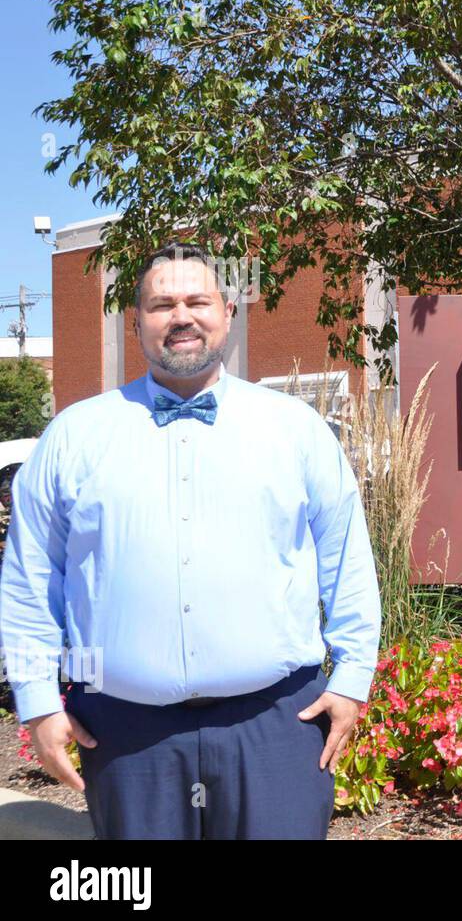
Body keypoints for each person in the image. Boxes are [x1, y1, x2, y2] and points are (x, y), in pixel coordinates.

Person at [0, 241, 382, 838]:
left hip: (279, 725)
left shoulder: (295, 430)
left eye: (197, 300)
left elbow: (346, 560)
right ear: (136, 322)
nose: (181, 316)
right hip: (125, 734)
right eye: (161, 304)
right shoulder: (73, 437)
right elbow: (28, 579)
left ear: (227, 311)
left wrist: (353, 678)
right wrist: (37, 698)